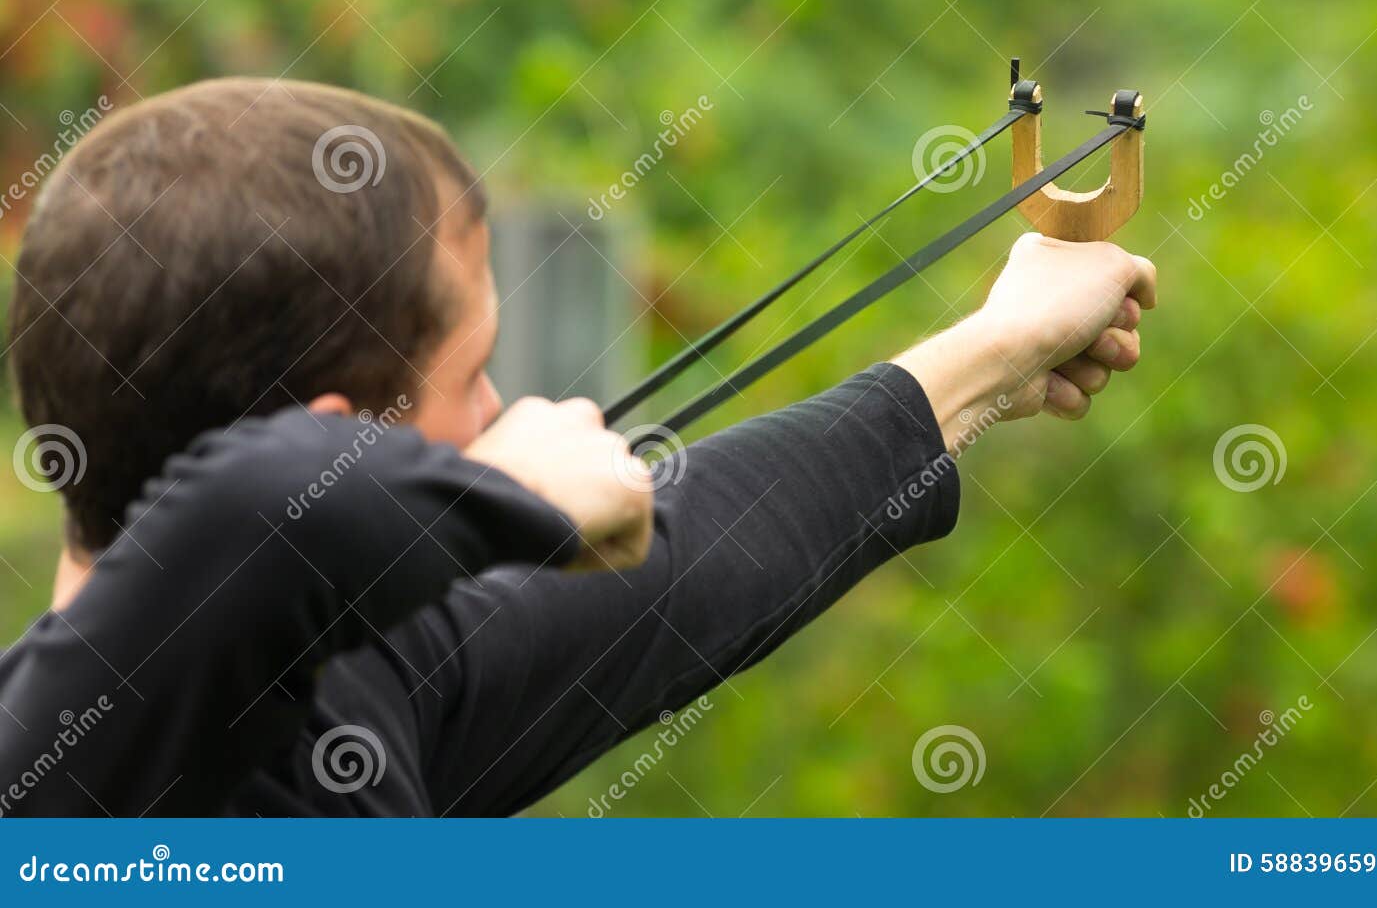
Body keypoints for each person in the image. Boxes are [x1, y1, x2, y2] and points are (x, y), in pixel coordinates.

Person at [0, 78, 1155, 816]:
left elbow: (700, 560)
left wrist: (993, 355)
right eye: (470, 375)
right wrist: (515, 488)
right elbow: (258, 506)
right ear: (340, 448)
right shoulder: (63, 772)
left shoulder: (345, 691)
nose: (506, 401)